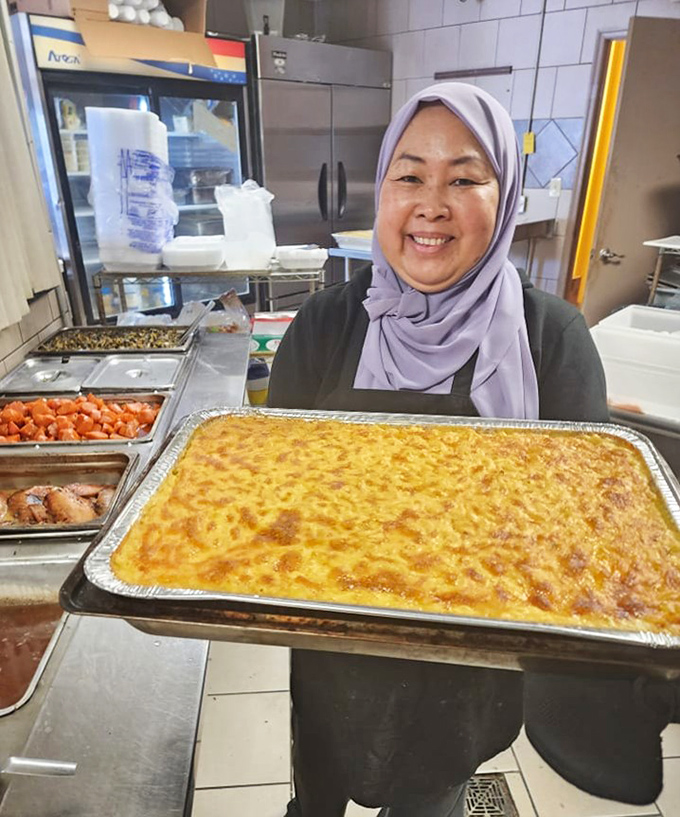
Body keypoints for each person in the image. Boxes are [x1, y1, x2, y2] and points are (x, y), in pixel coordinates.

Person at [267, 83, 675, 816]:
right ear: (384, 191)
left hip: (465, 665)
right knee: (316, 793)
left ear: (505, 196)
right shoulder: (327, 322)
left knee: (432, 801)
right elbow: (274, 489)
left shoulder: (551, 337)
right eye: (410, 175)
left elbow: (577, 532)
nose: (432, 203)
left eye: (464, 178)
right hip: (334, 651)